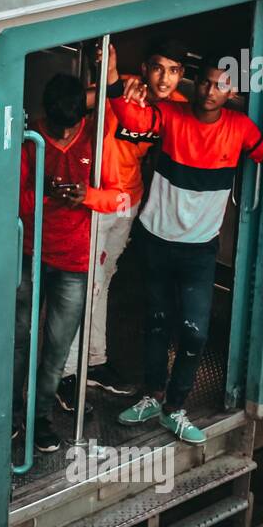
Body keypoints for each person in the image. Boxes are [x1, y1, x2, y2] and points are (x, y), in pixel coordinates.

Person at [106, 52, 263, 444]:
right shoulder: (170, 115)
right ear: (194, 84)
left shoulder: (240, 128)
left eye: (220, 84)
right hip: (156, 239)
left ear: (231, 91)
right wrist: (115, 76)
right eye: (205, 82)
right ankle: (153, 394)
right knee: (156, 324)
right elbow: (133, 120)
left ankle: (175, 408)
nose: (210, 90)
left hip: (199, 251)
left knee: (195, 332)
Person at [57, 38, 192, 408]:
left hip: (127, 201)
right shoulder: (121, 89)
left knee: (103, 282)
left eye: (175, 71)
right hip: (94, 201)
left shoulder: (177, 109)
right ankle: (65, 373)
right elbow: (65, 106)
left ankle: (95, 362)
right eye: (159, 68)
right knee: (86, 285)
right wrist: (109, 80)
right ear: (146, 68)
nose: (165, 78)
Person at [15, 72, 126, 454]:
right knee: (19, 340)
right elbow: (12, 203)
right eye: (57, 129)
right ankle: (13, 415)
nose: (63, 137)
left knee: (57, 347)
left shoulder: (97, 141)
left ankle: (40, 418)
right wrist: (47, 194)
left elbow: (118, 198)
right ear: (46, 118)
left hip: (74, 260)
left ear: (83, 118)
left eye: (71, 128)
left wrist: (88, 196)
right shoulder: (29, 141)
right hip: (29, 253)